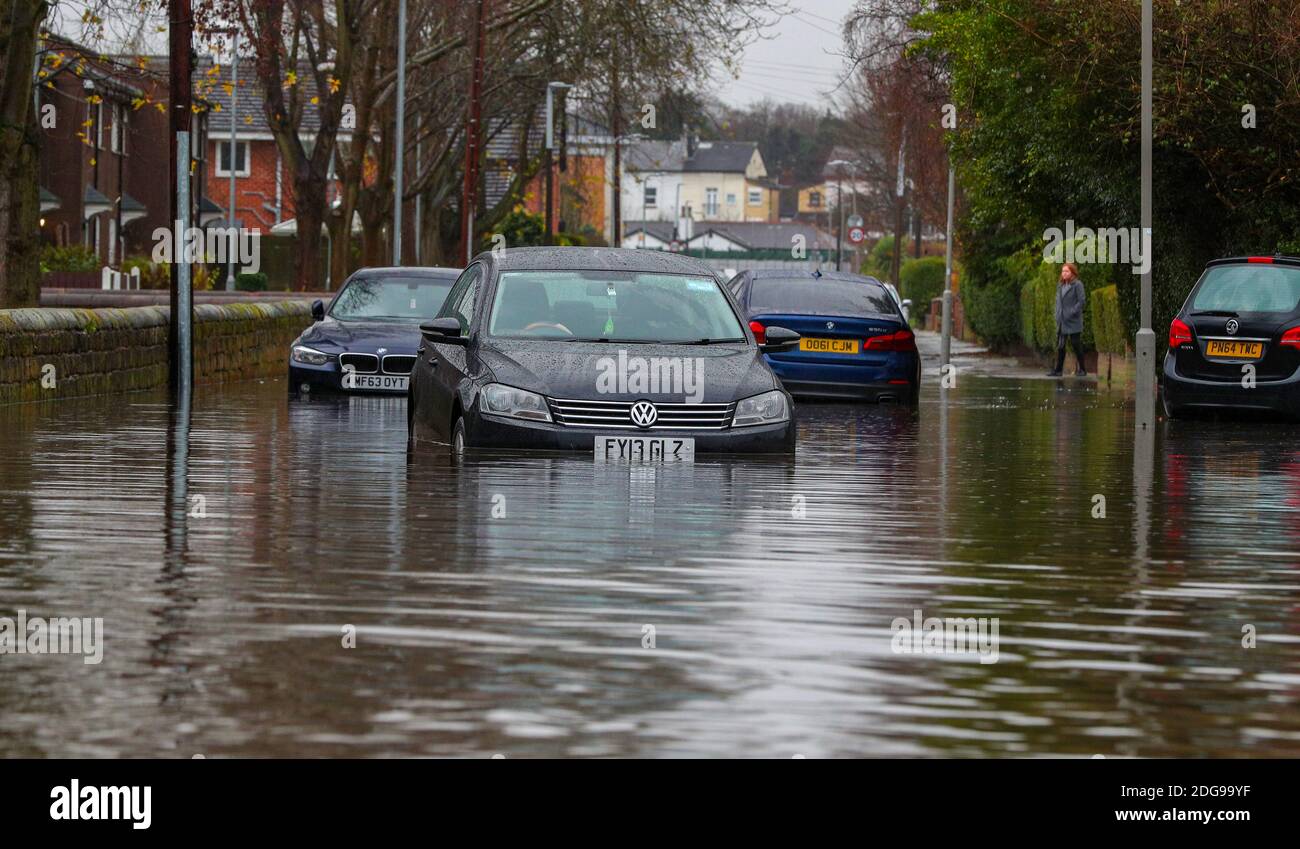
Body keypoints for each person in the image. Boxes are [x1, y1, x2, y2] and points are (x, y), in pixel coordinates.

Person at [1047, 262, 1087, 377]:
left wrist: (1072, 312)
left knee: (1076, 344)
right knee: (1061, 345)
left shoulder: (1077, 284)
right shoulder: (1060, 285)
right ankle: (1058, 370)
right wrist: (1057, 314)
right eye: (1063, 271)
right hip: (1062, 320)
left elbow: (1081, 301)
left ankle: (1083, 369)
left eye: (1067, 271)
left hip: (1073, 320)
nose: (1064, 273)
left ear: (1072, 273)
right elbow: (1058, 302)